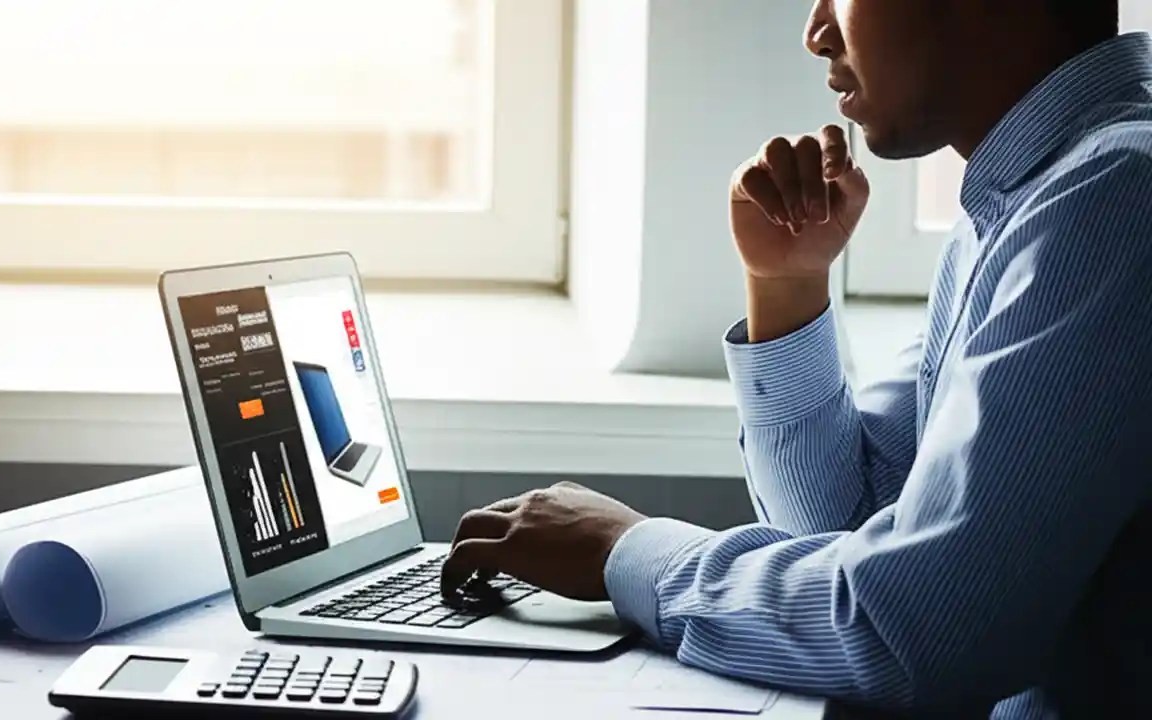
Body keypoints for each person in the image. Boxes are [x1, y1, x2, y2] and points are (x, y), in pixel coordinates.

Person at [440, 1, 1152, 717]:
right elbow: (847, 531)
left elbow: (918, 630)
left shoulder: (1116, 196)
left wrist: (623, 553)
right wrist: (785, 285)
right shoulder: (1029, 201)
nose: (817, 32)